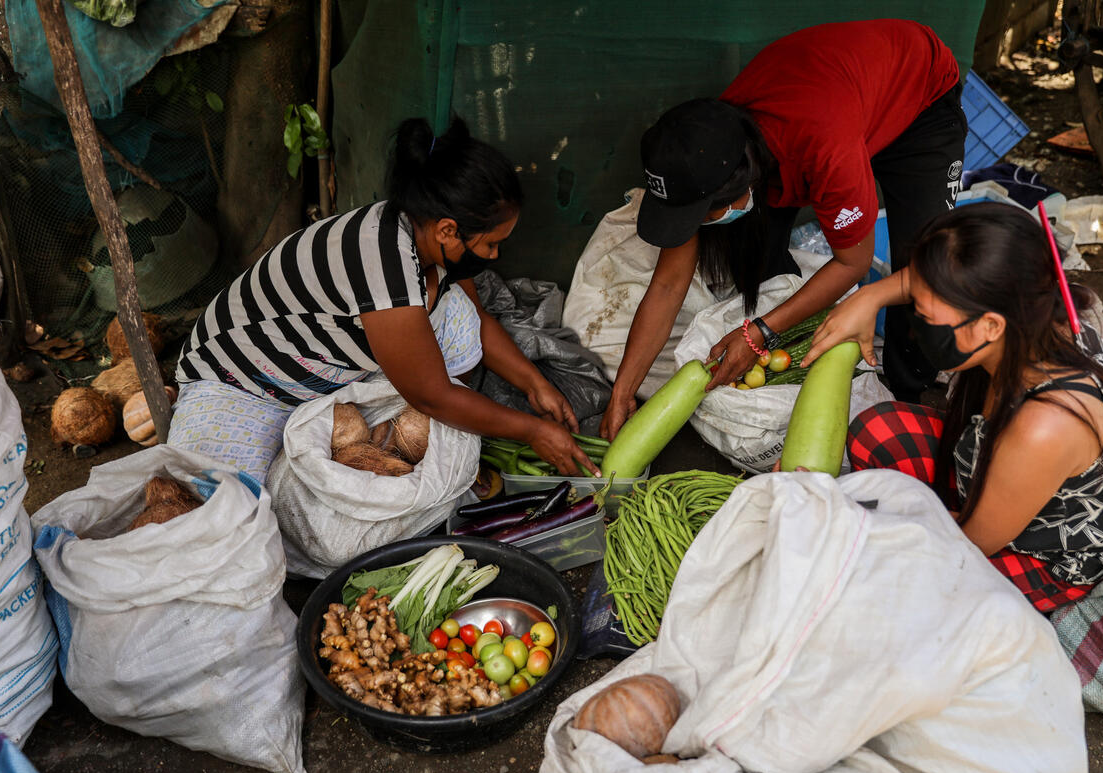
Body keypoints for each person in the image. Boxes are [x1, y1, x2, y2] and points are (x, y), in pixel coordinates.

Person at [169, 117, 599, 482]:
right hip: (241, 384)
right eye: (490, 244)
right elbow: (433, 397)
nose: (494, 256)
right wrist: (531, 431)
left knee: (458, 314)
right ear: (448, 230)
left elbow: (479, 321)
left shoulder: (421, 233)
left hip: (321, 373)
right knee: (226, 504)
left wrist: (535, 384)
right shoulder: (384, 267)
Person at [601, 19, 967, 438]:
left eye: (701, 214)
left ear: (744, 183)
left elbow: (853, 262)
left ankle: (907, 396)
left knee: (923, 266)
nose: (694, 228)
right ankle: (793, 356)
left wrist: (759, 333)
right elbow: (668, 284)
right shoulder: (707, 148)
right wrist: (621, 392)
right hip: (841, 98)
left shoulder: (824, 151)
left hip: (919, 99)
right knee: (756, 257)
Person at [801, 203, 1103, 612]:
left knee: (883, 586)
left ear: (990, 325)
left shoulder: (1044, 425)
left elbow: (972, 541)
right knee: (877, 432)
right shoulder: (1031, 313)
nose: (915, 322)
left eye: (925, 314)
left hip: (1041, 557)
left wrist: (843, 511)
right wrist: (871, 296)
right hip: (995, 473)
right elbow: (921, 280)